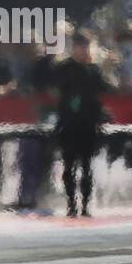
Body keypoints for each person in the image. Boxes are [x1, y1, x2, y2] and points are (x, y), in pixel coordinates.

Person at [54, 32, 109, 217]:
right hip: (69, 123)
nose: (83, 50)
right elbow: (59, 87)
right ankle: (71, 203)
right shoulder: (64, 68)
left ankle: (85, 204)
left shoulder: (94, 70)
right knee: (69, 166)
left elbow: (105, 89)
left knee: (86, 166)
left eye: (86, 46)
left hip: (89, 123)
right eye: (80, 46)